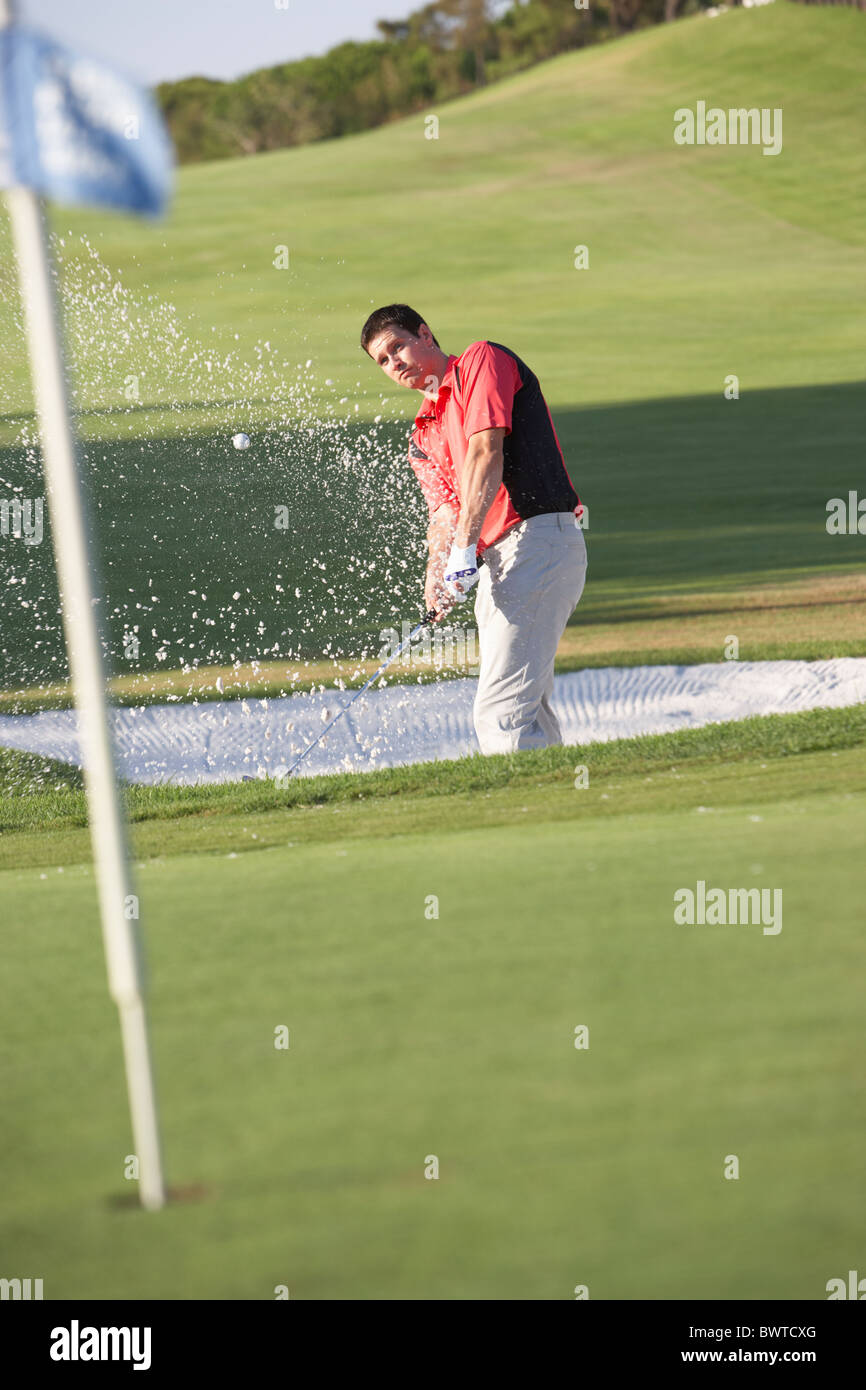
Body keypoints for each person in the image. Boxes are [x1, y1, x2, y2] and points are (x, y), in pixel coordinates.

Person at [361, 304, 587, 754]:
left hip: (536, 540)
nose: (394, 364)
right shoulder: (422, 436)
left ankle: (515, 815)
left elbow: (486, 451)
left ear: (425, 334)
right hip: (504, 563)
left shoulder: (480, 362)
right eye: (382, 361)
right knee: (527, 706)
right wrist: (437, 573)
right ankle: (555, 803)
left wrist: (464, 550)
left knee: (499, 714)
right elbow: (444, 512)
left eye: (398, 347)